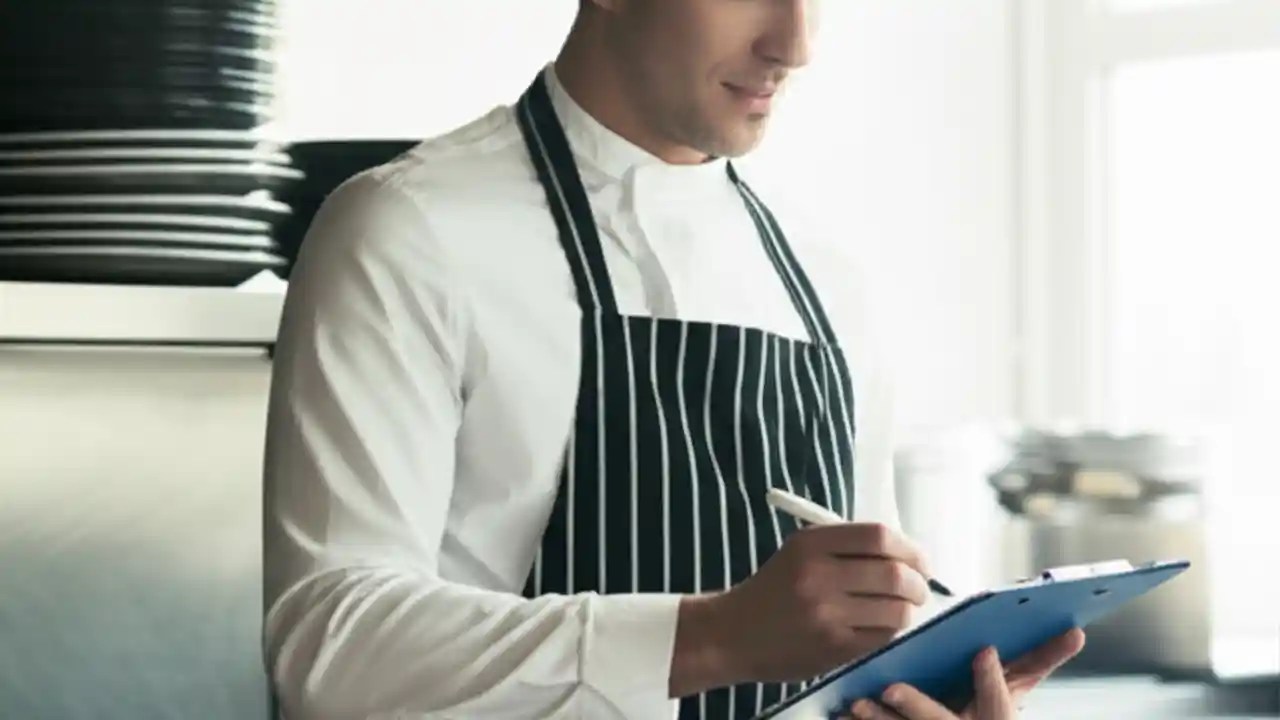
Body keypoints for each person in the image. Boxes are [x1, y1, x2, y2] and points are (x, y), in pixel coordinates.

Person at [262, 0, 1085, 718]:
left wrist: (924, 691)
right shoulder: (408, 232)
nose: (794, 45)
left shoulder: (828, 279)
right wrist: (714, 637)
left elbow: (854, 648)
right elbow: (330, 650)